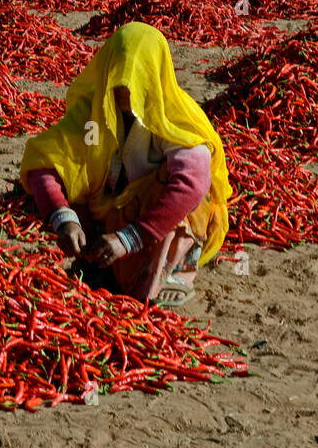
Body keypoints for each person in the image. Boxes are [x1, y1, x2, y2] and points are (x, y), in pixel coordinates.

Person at [20, 22, 232, 307]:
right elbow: (43, 164)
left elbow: (192, 181)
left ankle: (171, 275)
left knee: (195, 200)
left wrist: (129, 239)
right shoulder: (93, 114)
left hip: (154, 224)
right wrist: (63, 218)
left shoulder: (173, 118)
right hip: (111, 216)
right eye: (118, 76)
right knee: (71, 183)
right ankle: (104, 268)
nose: (125, 88)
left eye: (135, 77)